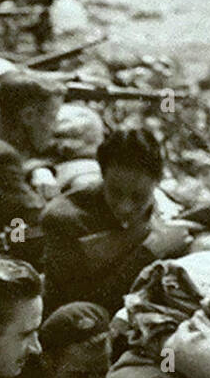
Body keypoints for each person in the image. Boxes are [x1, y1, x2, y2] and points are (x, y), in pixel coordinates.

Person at [40, 125, 196, 315]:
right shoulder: (63, 217)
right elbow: (79, 306)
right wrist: (150, 251)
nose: (125, 207)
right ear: (103, 175)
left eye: (138, 196)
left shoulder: (169, 206)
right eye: (115, 192)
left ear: (157, 182)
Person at [0, 70, 65, 233]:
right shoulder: (1, 156)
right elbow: (30, 216)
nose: (55, 128)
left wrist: (38, 169)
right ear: (28, 116)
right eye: (52, 118)